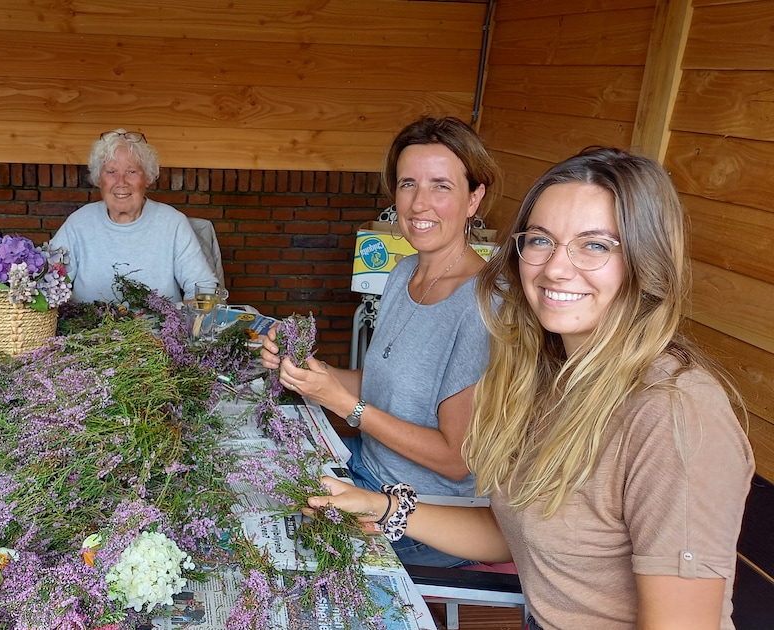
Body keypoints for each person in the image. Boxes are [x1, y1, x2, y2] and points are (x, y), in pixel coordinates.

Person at [307, 148, 753, 629]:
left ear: (647, 260)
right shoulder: (547, 376)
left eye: (596, 245)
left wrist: (349, 408)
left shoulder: (675, 415)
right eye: (541, 241)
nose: (556, 269)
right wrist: (383, 505)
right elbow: (512, 529)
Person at [262, 117, 499, 567]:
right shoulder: (403, 272)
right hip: (365, 469)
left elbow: (456, 461)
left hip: (425, 516)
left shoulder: (485, 305)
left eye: (441, 186)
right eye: (408, 183)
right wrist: (309, 371)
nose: (419, 203)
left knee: (284, 565)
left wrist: (341, 404)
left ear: (474, 198)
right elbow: (382, 383)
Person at [50, 129, 216, 303]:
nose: (121, 182)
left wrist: (183, 324)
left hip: (160, 329)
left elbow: (204, 288)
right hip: (88, 329)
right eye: (111, 172)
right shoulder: (79, 223)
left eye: (131, 172)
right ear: (99, 179)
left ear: (147, 178)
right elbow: (47, 284)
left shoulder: (172, 223)